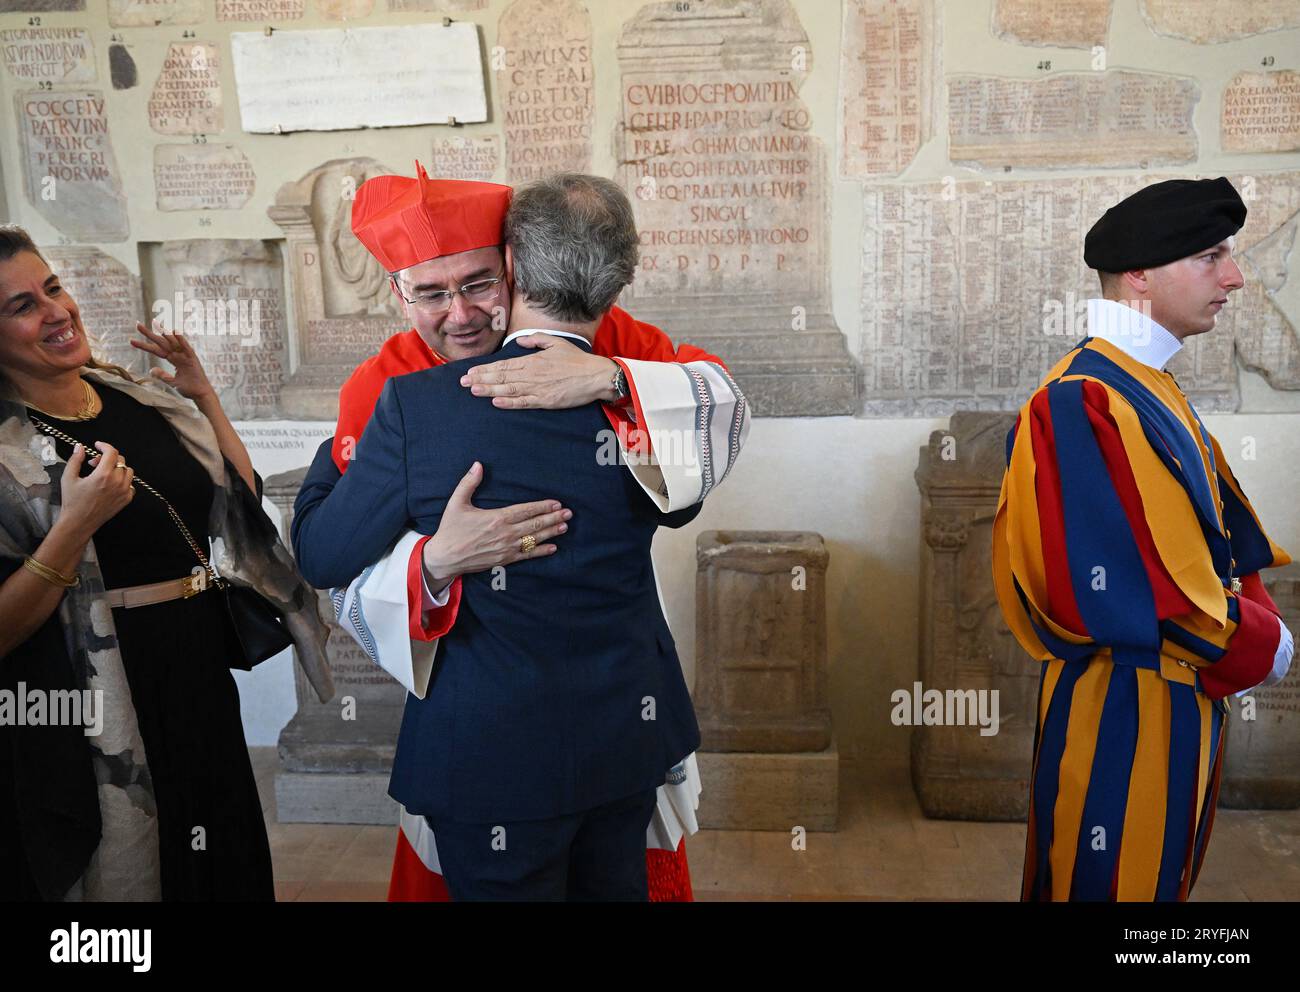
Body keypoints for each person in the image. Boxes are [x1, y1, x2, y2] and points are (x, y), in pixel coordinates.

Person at [313, 166, 747, 901]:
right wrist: (435, 560)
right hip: (616, 729)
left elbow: (324, 546)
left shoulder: (616, 349)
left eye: (479, 284)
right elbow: (686, 485)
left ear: (512, 267)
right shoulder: (381, 383)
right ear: (399, 294)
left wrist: (613, 377)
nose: (460, 315)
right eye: (430, 293)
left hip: (492, 751)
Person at [0, 225, 332, 901]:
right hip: (96, 685)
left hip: (195, 662)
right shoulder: (6, 451)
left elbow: (238, 497)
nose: (57, 310)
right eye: (23, 306)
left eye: (53, 288)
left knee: (218, 846)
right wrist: (73, 528)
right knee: (138, 860)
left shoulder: (131, 398)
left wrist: (203, 394)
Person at [992, 177, 1294, 902]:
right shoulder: (1081, 398)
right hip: (1124, 703)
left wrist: (1255, 615)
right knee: (1105, 884)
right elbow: (1119, 586)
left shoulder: (1146, 382)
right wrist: (1260, 642)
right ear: (1139, 276)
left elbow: (1213, 538)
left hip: (1178, 693)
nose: (1235, 277)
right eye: (1211, 256)